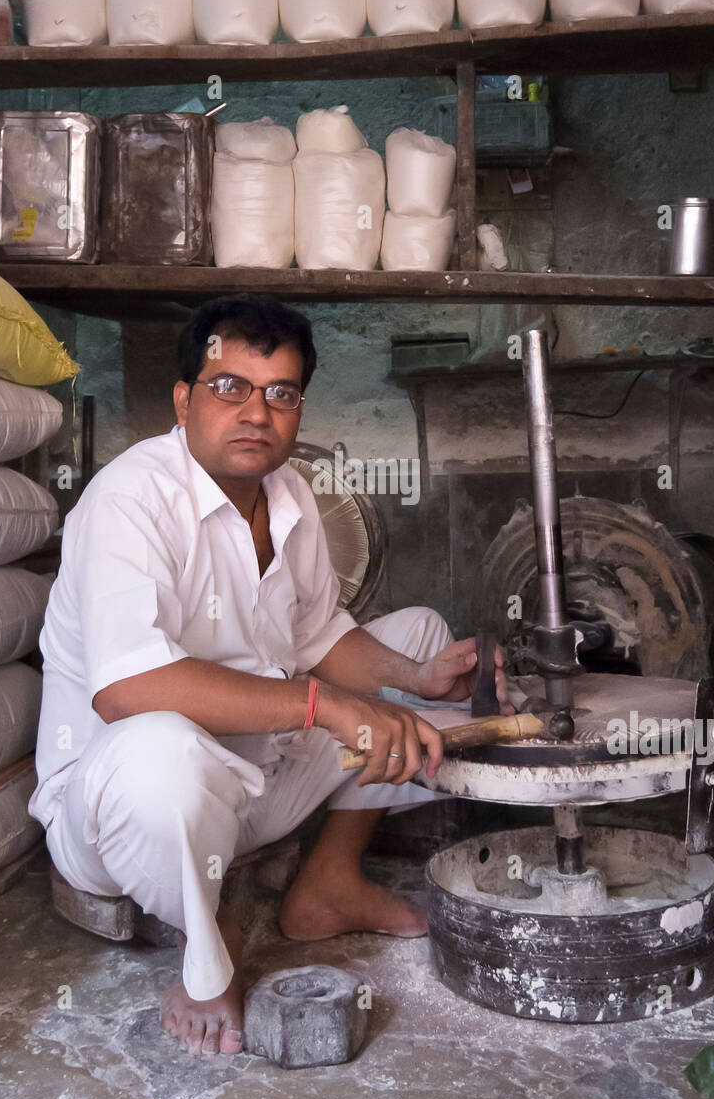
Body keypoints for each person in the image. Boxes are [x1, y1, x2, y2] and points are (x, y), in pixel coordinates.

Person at [31, 295, 510, 1055]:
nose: (256, 413)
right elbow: (127, 691)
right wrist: (327, 707)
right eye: (230, 388)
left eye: (280, 394)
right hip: (124, 813)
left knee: (417, 632)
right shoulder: (128, 499)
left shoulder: (288, 497)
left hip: (256, 783)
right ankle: (205, 947)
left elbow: (319, 637)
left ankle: (327, 883)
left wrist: (416, 677)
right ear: (184, 400)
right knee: (161, 750)